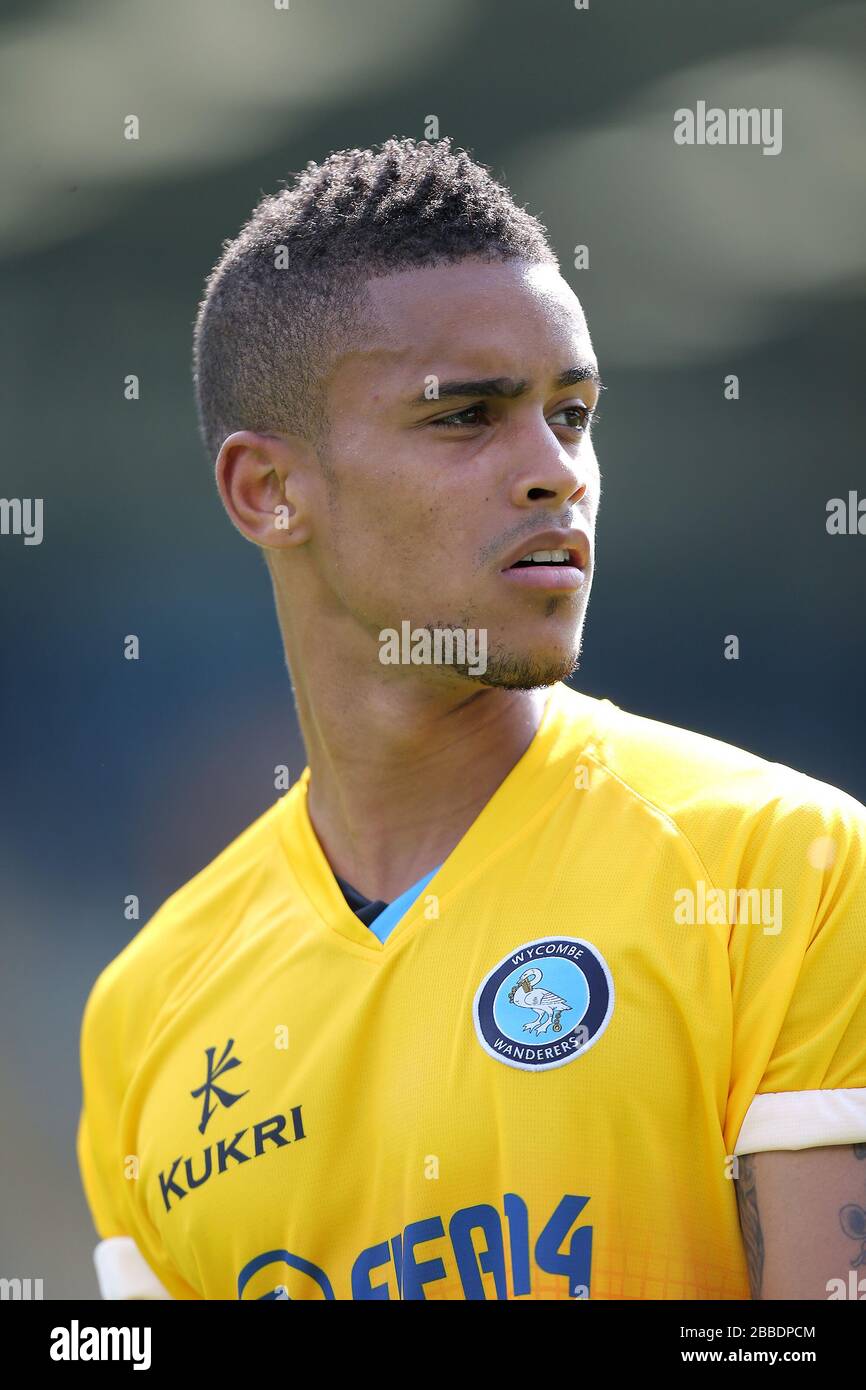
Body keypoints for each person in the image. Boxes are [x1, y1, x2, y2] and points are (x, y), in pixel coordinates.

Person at [77, 137, 866, 1301]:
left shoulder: (783, 868)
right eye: (464, 418)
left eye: (573, 413)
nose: (556, 471)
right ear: (267, 490)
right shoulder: (146, 1016)